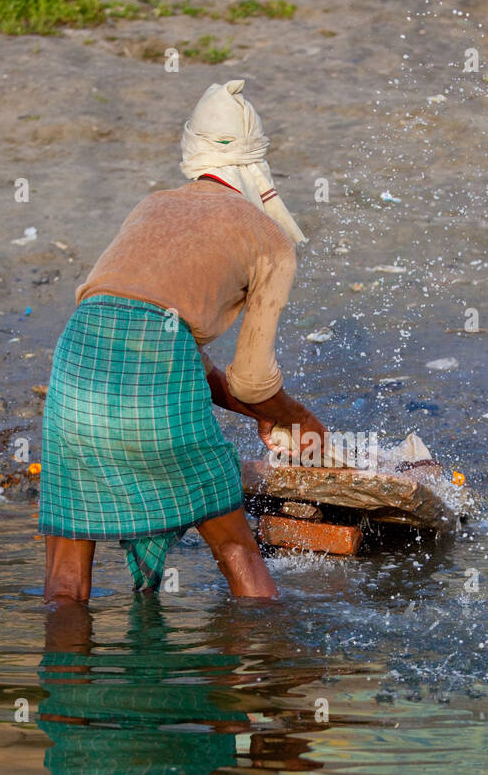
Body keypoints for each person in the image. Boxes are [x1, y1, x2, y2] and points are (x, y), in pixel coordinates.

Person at [38, 79, 326, 604]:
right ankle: (261, 673)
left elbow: (161, 342)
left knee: (65, 577)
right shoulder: (271, 241)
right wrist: (297, 418)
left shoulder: (151, 207)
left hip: (75, 367)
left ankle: (64, 681)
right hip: (154, 383)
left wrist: (261, 411)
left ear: (191, 150)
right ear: (258, 163)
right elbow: (254, 380)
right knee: (237, 550)